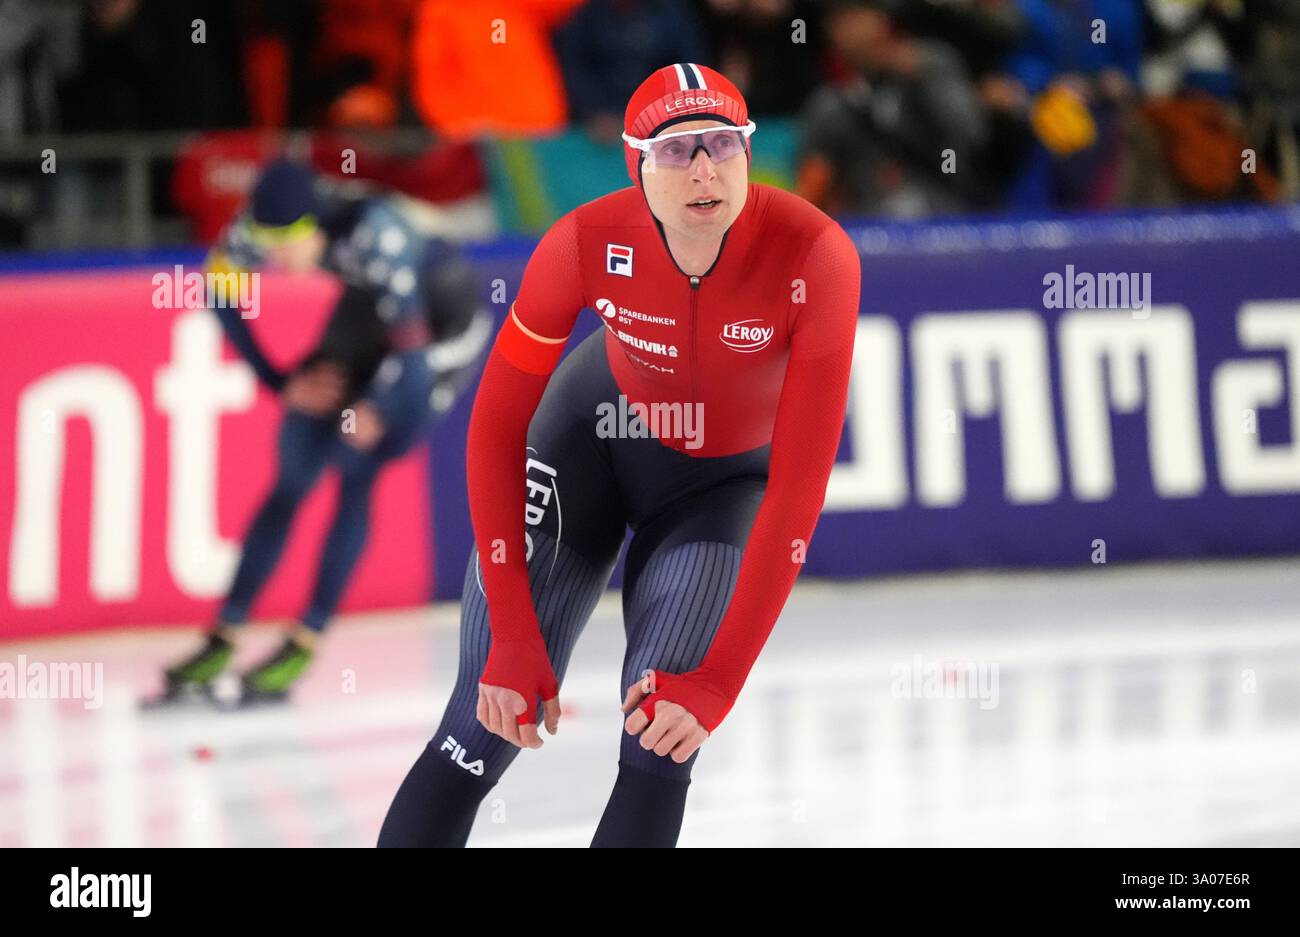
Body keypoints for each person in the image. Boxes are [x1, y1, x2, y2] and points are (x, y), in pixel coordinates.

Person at [379, 63, 861, 847]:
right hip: (588, 446)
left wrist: (716, 683)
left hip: (718, 489)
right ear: (635, 165)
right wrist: (510, 631)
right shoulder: (584, 242)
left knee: (661, 738)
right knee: (482, 722)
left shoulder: (816, 256)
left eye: (722, 145)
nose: (705, 169)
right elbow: (496, 427)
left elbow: (796, 495)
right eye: (676, 152)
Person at [158, 159, 492, 704]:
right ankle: (224, 633)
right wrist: (280, 381)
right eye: (268, 242)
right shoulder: (257, 225)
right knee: (293, 469)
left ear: (316, 225)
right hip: (368, 308)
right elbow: (217, 294)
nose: (278, 257)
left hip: (439, 328)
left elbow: (410, 362)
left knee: (357, 468)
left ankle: (305, 637)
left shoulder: (378, 234)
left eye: (290, 242)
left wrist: (377, 410)